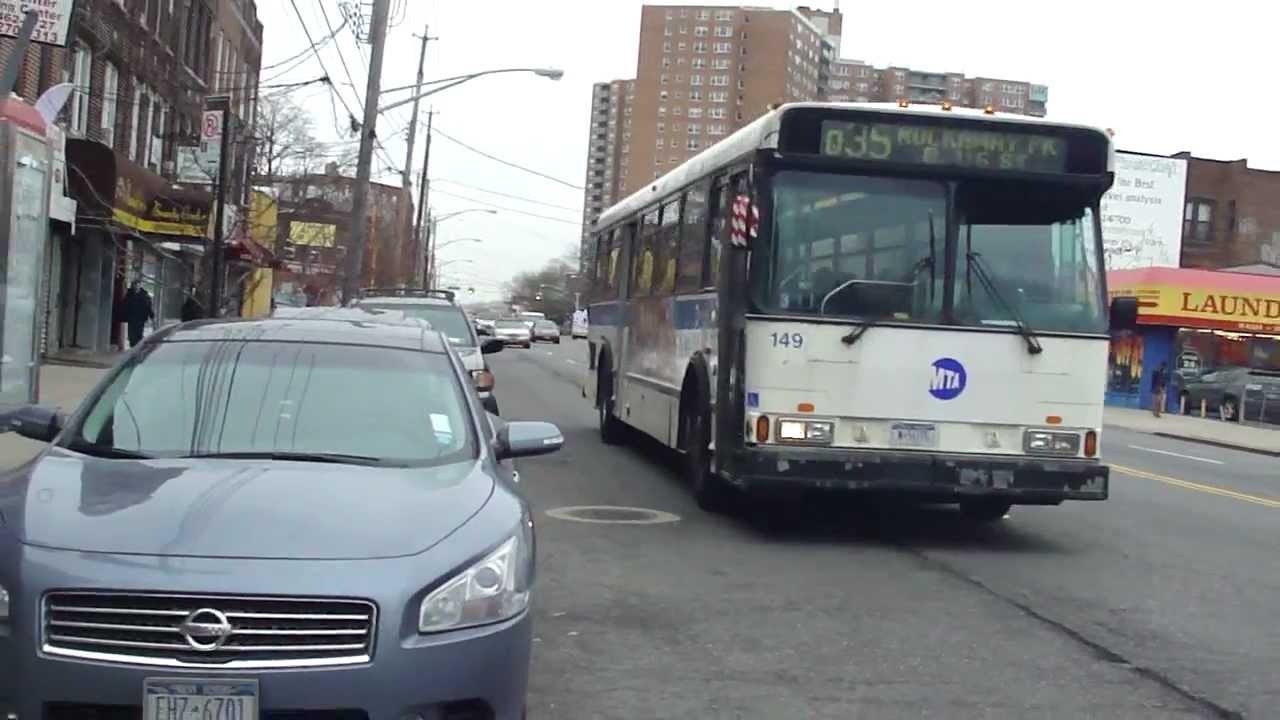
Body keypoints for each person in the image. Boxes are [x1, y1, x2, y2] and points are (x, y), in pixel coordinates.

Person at [124, 280, 154, 348]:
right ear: (133, 286)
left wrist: (151, 315)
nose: (136, 286)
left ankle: (138, 348)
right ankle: (132, 347)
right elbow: (125, 304)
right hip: (131, 318)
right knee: (131, 335)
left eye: (138, 285)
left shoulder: (144, 294)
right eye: (135, 285)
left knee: (139, 334)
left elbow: (148, 305)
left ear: (140, 286)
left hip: (141, 318)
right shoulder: (129, 293)